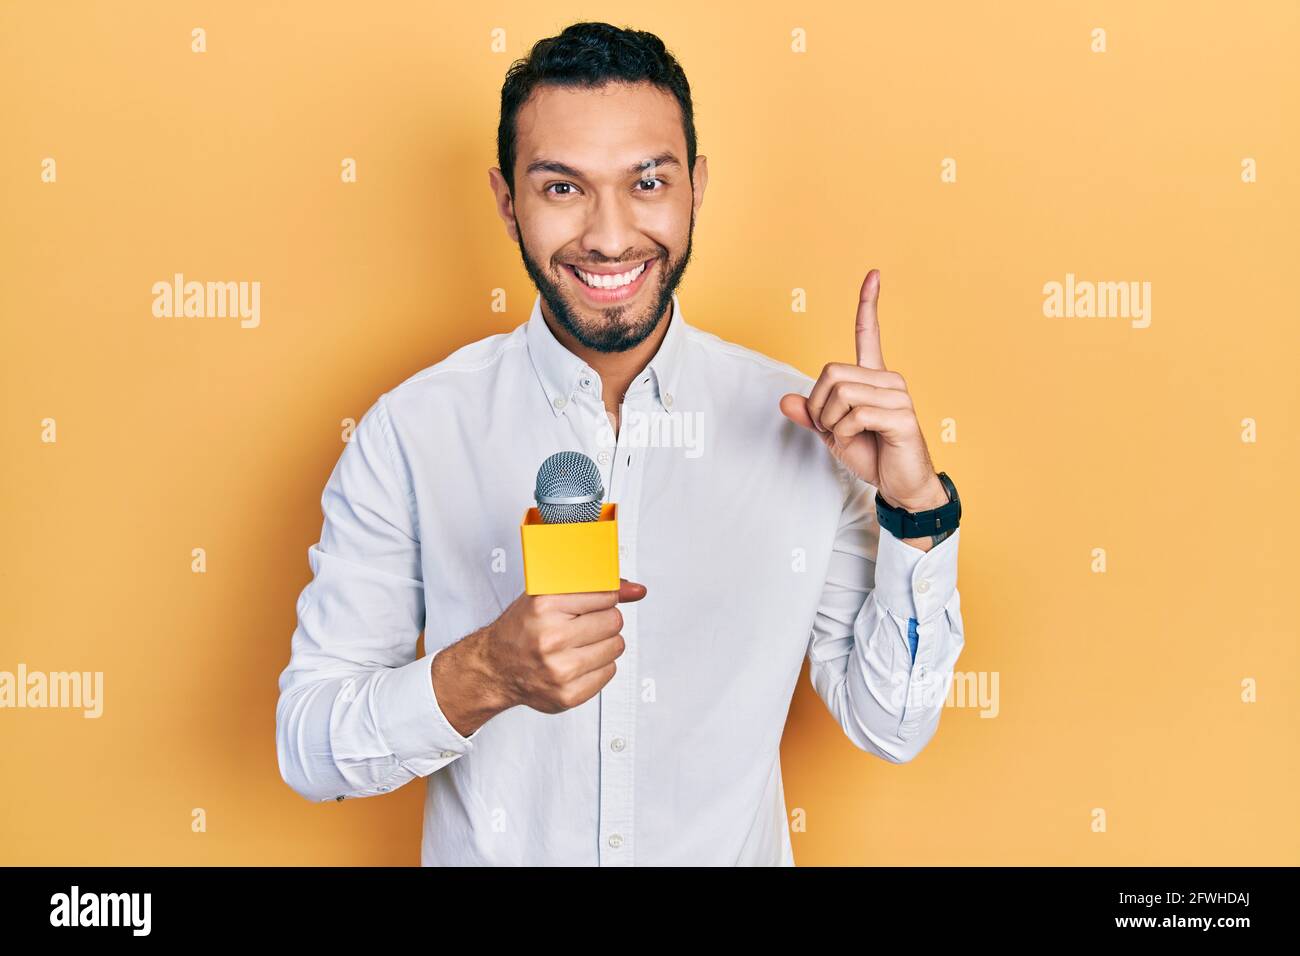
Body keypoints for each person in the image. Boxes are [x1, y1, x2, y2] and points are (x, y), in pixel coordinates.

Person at [275, 20, 965, 866]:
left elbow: (891, 724)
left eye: (647, 182)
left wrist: (915, 509)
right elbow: (307, 751)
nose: (608, 237)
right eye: (563, 188)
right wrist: (483, 673)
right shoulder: (413, 432)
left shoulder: (808, 431)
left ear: (695, 188)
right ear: (506, 202)